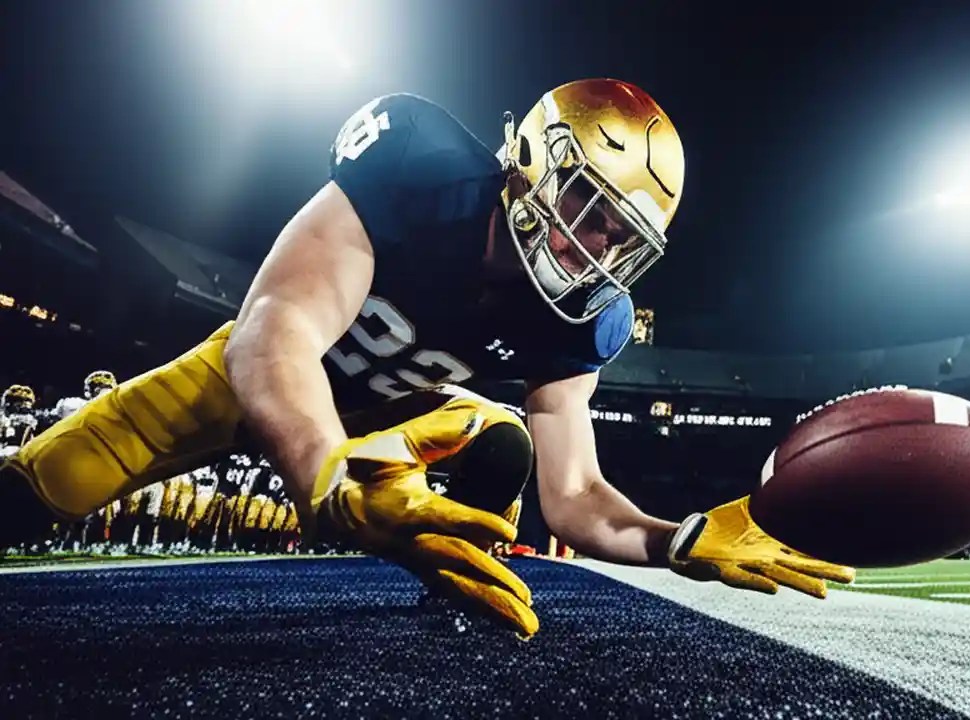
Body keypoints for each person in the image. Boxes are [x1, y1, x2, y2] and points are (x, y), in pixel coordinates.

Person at [0, 79, 853, 637]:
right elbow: (277, 328)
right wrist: (327, 475)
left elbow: (576, 497)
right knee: (51, 480)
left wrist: (676, 538)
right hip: (263, 382)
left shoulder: (590, 319)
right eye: (588, 206)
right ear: (531, 162)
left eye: (617, 236)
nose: (594, 246)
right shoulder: (421, 167)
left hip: (391, 418)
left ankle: (450, 565)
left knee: (504, 440)